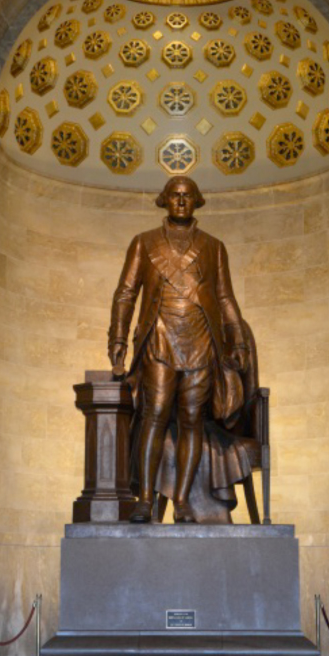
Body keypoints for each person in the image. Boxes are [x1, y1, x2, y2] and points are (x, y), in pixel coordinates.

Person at [108, 176, 250, 523]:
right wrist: (118, 339)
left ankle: (182, 501)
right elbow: (126, 293)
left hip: (201, 339)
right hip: (159, 336)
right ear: (165, 200)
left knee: (191, 420)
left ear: (197, 200)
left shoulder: (213, 246)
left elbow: (224, 296)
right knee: (154, 414)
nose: (182, 201)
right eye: (175, 195)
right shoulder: (144, 243)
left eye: (188, 196)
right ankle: (144, 500)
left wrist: (238, 337)